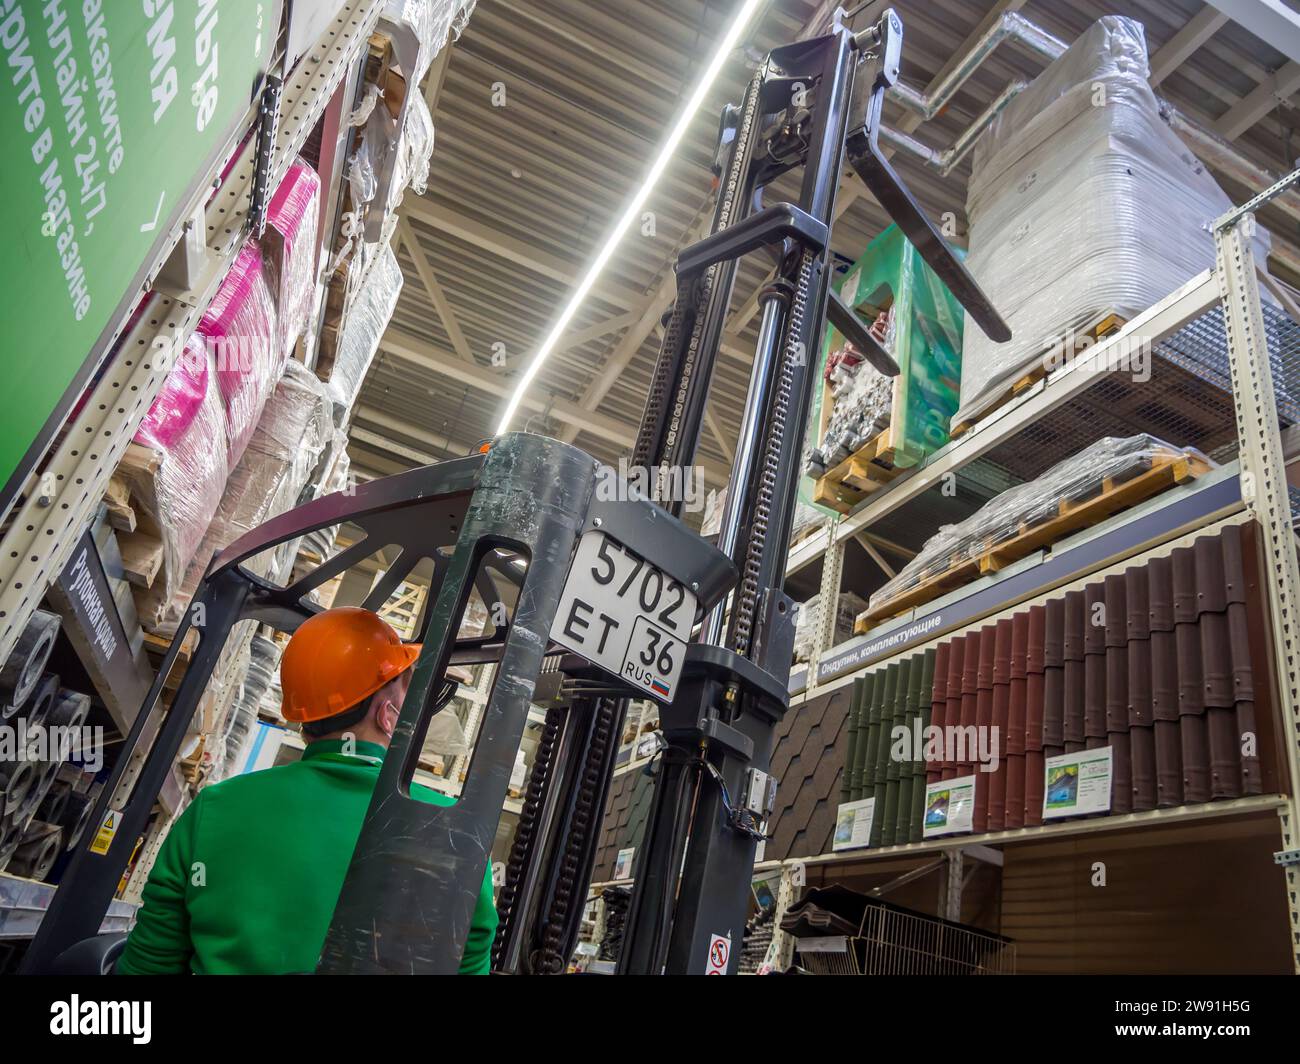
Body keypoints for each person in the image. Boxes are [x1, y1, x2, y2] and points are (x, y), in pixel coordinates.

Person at [116, 607, 498, 974]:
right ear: (386, 715)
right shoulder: (456, 833)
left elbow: (148, 967)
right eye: (406, 692)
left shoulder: (215, 809)